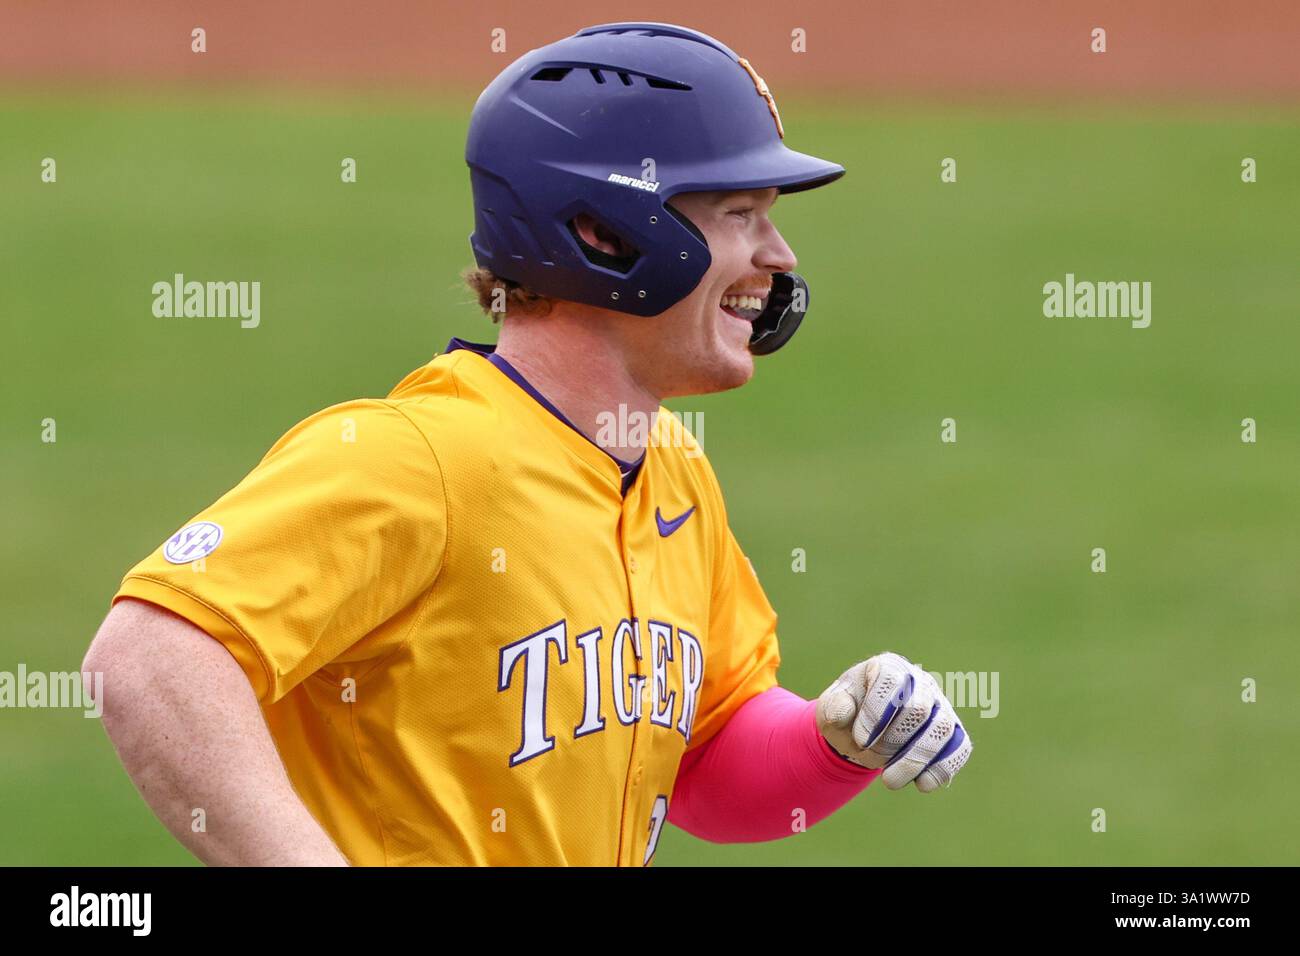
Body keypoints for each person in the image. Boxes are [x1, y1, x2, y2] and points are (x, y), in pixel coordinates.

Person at [83, 21, 971, 867]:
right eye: (740, 213)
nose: (778, 254)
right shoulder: (420, 461)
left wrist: (832, 739)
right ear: (605, 234)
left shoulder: (672, 471)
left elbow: (703, 764)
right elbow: (150, 657)